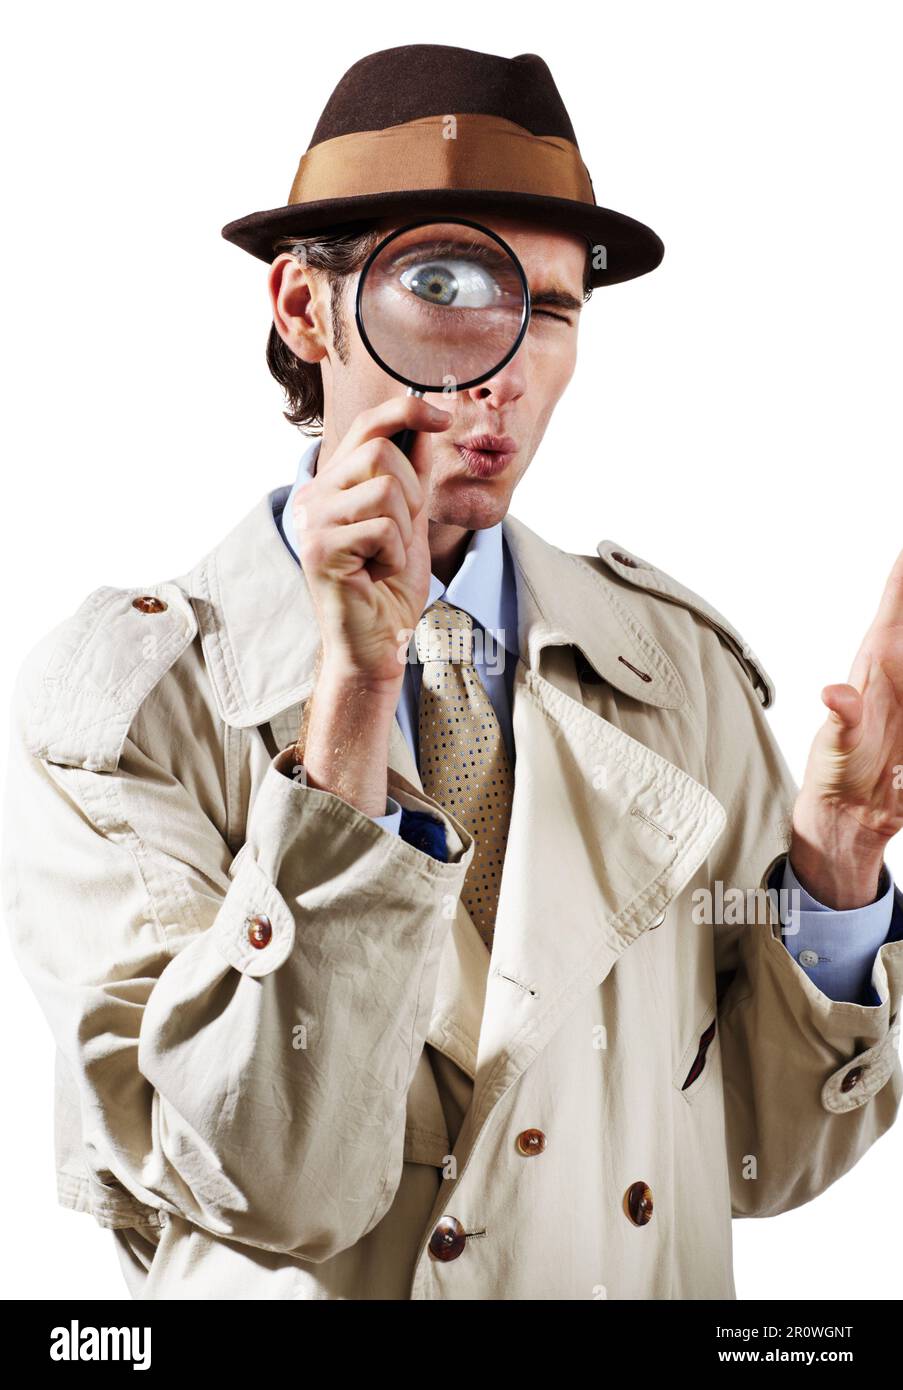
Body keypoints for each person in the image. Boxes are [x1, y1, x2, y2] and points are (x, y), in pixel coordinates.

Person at [3, 42, 902, 1302]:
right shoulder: (123, 708)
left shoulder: (677, 672)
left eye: (553, 306)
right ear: (307, 311)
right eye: (445, 281)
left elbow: (769, 1154)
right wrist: (354, 699)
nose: (507, 361)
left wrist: (837, 870)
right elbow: (270, 1187)